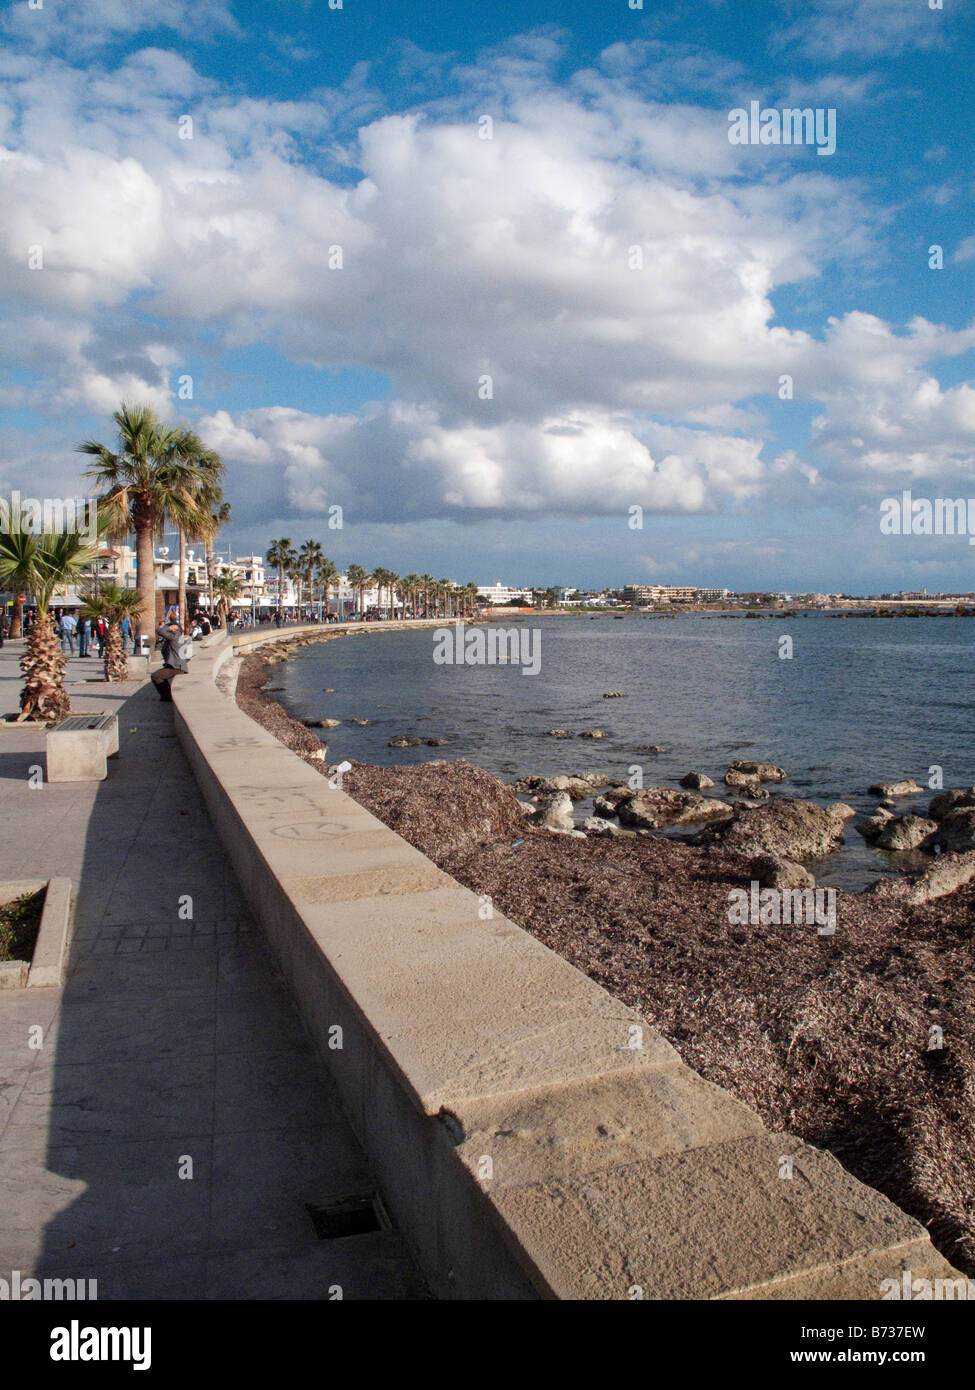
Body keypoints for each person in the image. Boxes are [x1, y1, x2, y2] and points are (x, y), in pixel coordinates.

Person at [151, 618, 183, 702]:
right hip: (175, 665)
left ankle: (167, 697)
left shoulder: (175, 637)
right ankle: (168, 695)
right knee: (159, 675)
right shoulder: (176, 637)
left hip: (176, 667)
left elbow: (159, 631)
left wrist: (168, 628)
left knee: (156, 675)